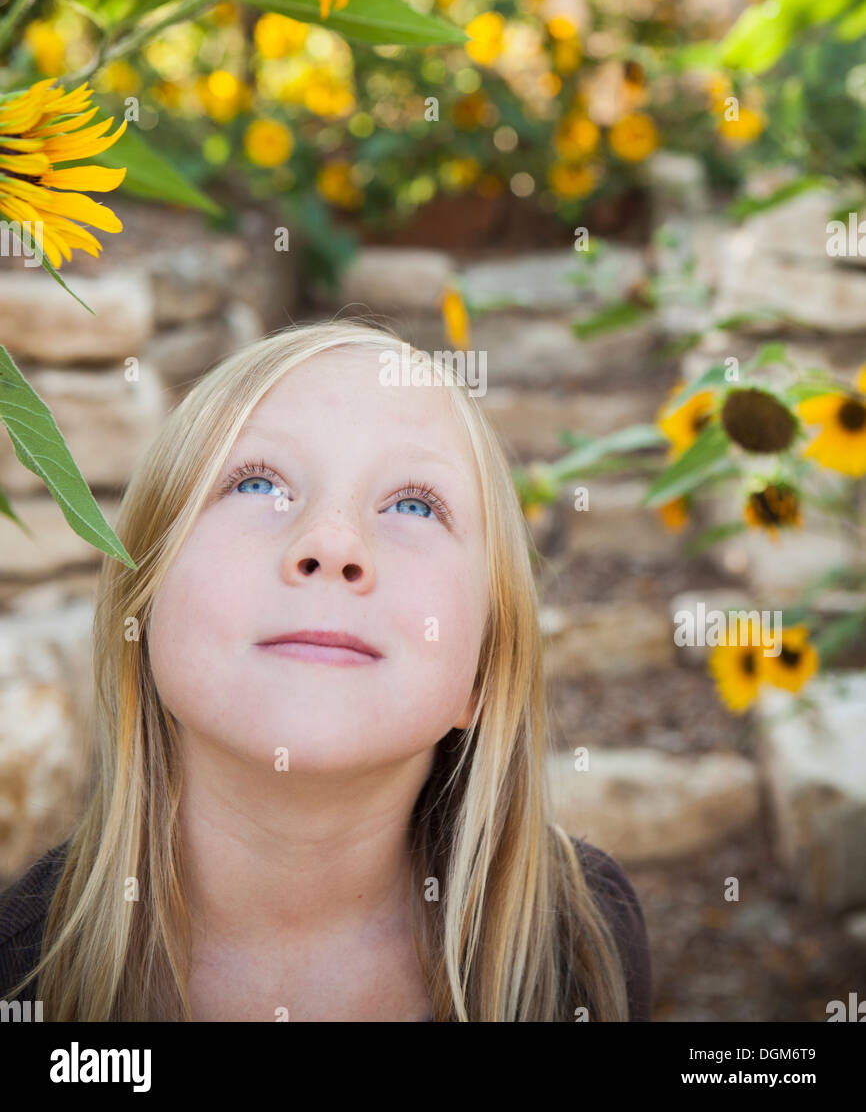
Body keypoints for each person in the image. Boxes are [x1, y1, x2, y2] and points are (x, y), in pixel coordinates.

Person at [0, 317, 652, 1021]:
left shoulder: (581, 944)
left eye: (413, 504)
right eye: (256, 484)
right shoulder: (20, 973)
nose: (334, 542)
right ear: (143, 602)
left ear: (486, 671)